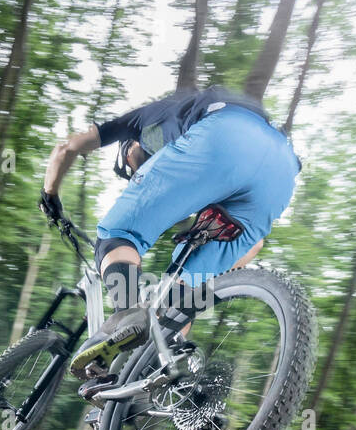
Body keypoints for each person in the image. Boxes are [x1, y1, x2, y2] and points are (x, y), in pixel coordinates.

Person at [39, 83, 300, 375]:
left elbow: (68, 147)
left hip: (224, 136)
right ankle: (157, 374)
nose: (136, 173)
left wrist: (49, 195)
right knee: (185, 292)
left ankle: (126, 312)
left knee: (118, 233)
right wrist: (193, 287)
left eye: (131, 167)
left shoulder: (137, 122)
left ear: (131, 149)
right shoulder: (188, 113)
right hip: (282, 172)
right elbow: (255, 245)